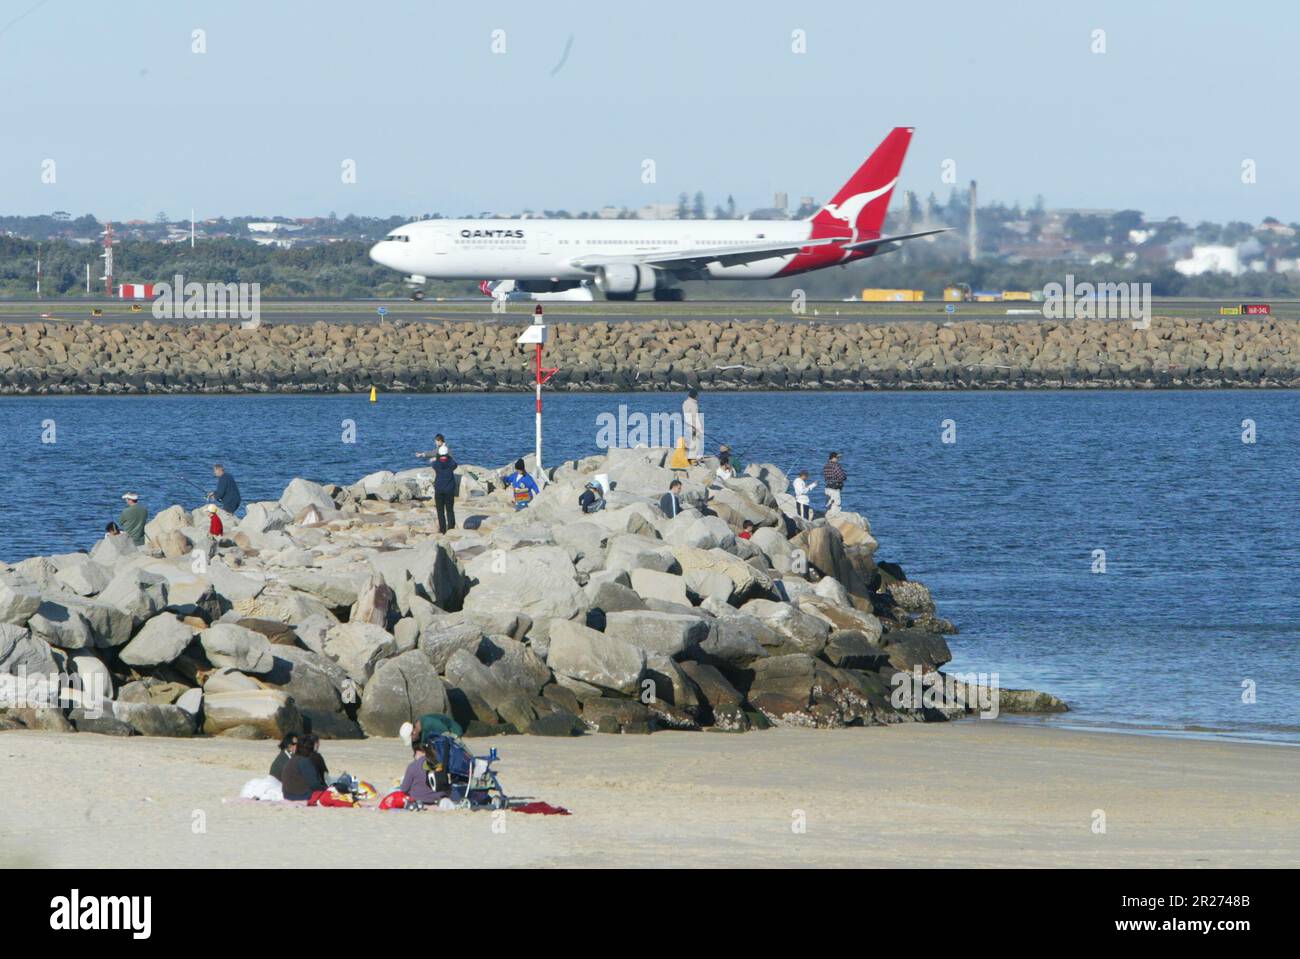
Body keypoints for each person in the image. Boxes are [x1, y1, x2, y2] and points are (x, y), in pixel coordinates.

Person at [399, 741, 452, 806]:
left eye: (415, 753)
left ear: (419, 752)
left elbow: (404, 789)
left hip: (419, 800)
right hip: (439, 799)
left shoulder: (413, 766)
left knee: (394, 790)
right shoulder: (440, 765)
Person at [280, 735, 326, 801]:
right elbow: (314, 784)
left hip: (287, 795)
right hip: (302, 795)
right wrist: (327, 789)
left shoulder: (293, 759)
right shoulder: (304, 761)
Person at [430, 445, 458, 534]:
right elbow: (455, 464)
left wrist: (437, 457)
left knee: (440, 510)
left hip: (439, 489)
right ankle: (451, 528)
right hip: (449, 489)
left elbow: (434, 463)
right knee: (450, 509)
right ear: (447, 453)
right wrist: (448, 456)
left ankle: (442, 530)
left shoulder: (436, 464)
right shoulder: (451, 463)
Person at [682, 389, 703, 462]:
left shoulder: (685, 402)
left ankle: (690, 456)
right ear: (695, 396)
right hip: (693, 425)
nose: (698, 397)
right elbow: (694, 416)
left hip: (687, 424)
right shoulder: (694, 404)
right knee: (696, 441)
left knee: (690, 440)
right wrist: (695, 427)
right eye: (697, 396)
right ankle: (692, 457)